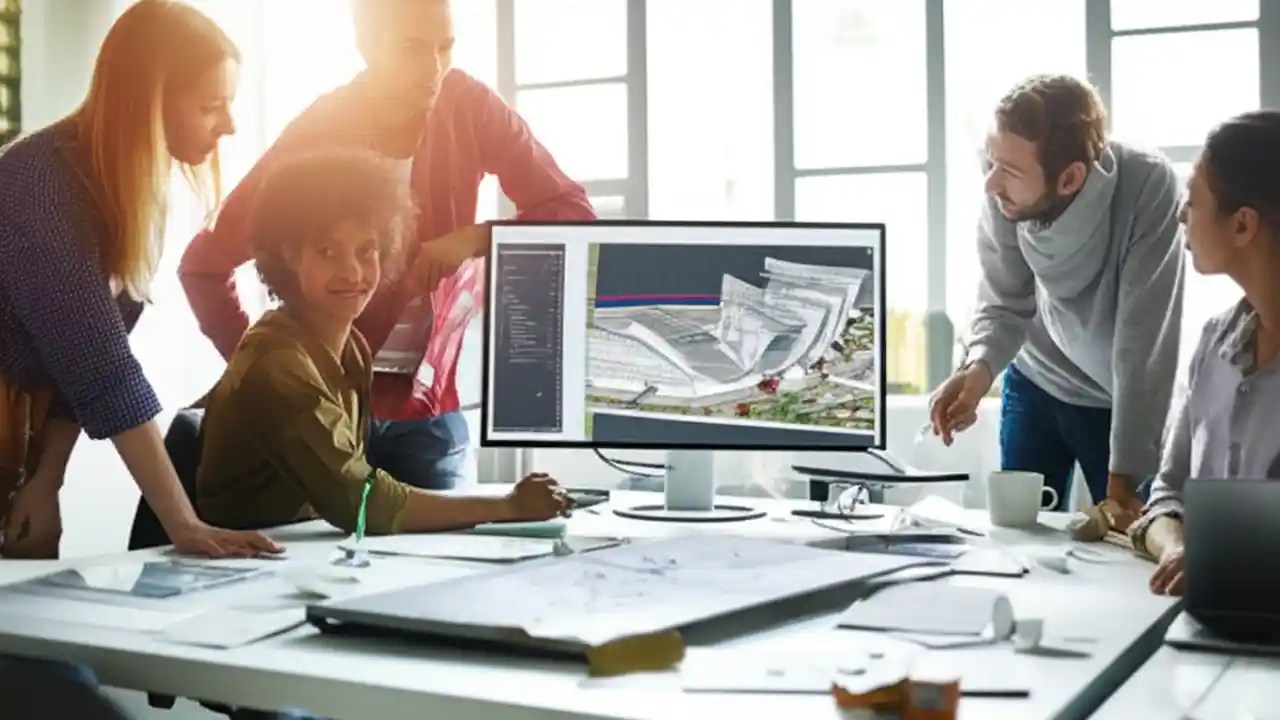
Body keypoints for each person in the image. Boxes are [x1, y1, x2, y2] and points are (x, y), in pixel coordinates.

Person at [180, 0, 596, 492]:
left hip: (426, 410)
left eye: (445, 48)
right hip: (322, 408)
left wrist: (477, 239)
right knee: (308, 565)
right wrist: (264, 369)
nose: (434, 69)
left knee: (445, 561)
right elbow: (204, 266)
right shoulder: (320, 127)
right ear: (366, 46)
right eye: (412, 50)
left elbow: (572, 213)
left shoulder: (468, 106)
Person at [0, 0, 280, 560]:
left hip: (20, 437)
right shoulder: (36, 184)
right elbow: (102, 369)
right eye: (211, 105)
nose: (229, 124)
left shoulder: (128, 193)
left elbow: (76, 376)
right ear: (149, 101)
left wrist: (47, 480)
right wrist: (185, 524)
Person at [196, 149, 572, 533]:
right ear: (290, 255)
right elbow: (362, 505)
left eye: (366, 250)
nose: (352, 272)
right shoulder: (279, 365)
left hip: (296, 554)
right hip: (241, 569)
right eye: (327, 251)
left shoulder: (351, 347)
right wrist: (507, 506)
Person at [928, 74, 1184, 525]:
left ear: (1070, 179)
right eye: (991, 162)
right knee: (1017, 535)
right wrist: (978, 367)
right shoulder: (1004, 190)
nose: (990, 184)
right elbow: (1003, 299)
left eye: (1007, 171)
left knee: (1128, 541)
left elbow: (1143, 345)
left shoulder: (1148, 185)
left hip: (1115, 398)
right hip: (1034, 379)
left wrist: (1125, 477)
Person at [1129, 111, 1280, 596]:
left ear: (1242, 225)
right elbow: (1168, 495)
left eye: (1192, 201)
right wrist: (1177, 549)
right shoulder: (1213, 346)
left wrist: (1236, 564)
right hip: (1211, 614)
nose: (1180, 215)